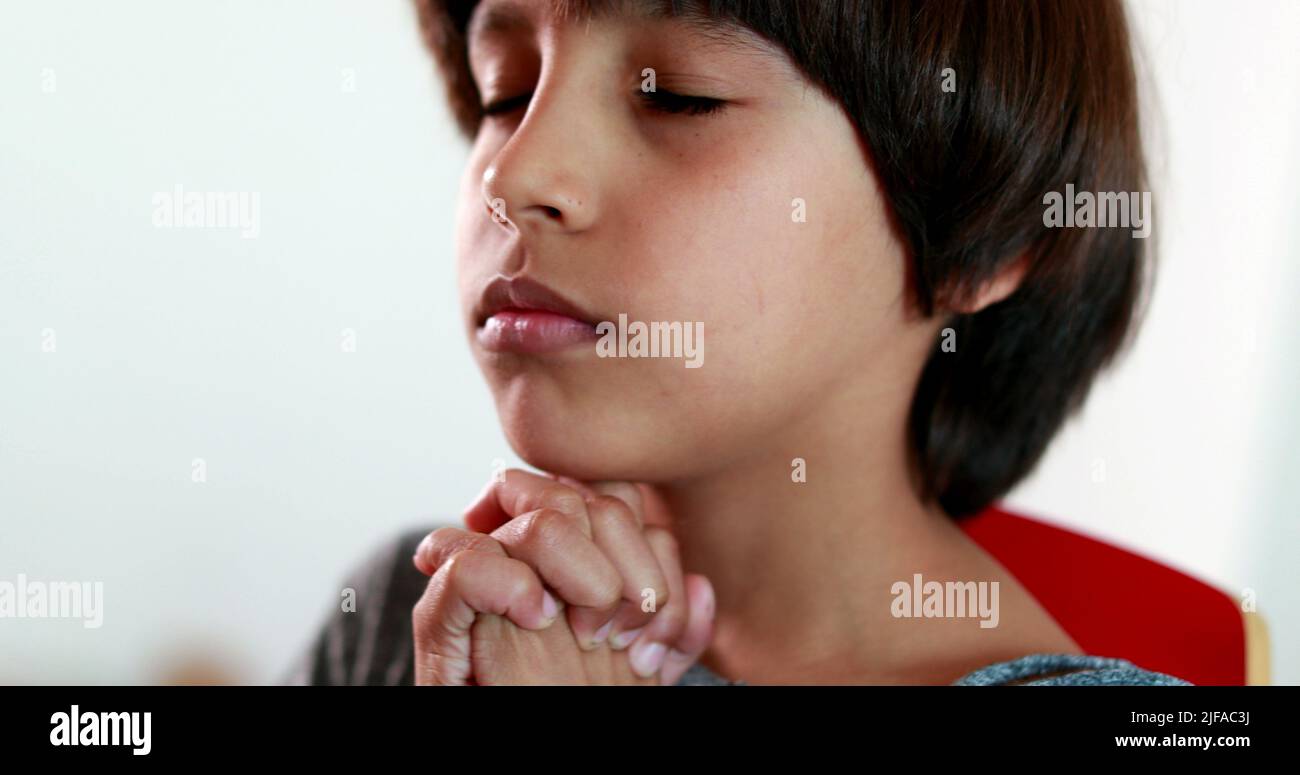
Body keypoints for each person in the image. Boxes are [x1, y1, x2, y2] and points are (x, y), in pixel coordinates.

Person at [288, 0, 1192, 686]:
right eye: (507, 92)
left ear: (991, 242)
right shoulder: (423, 615)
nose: (515, 174)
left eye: (680, 96)